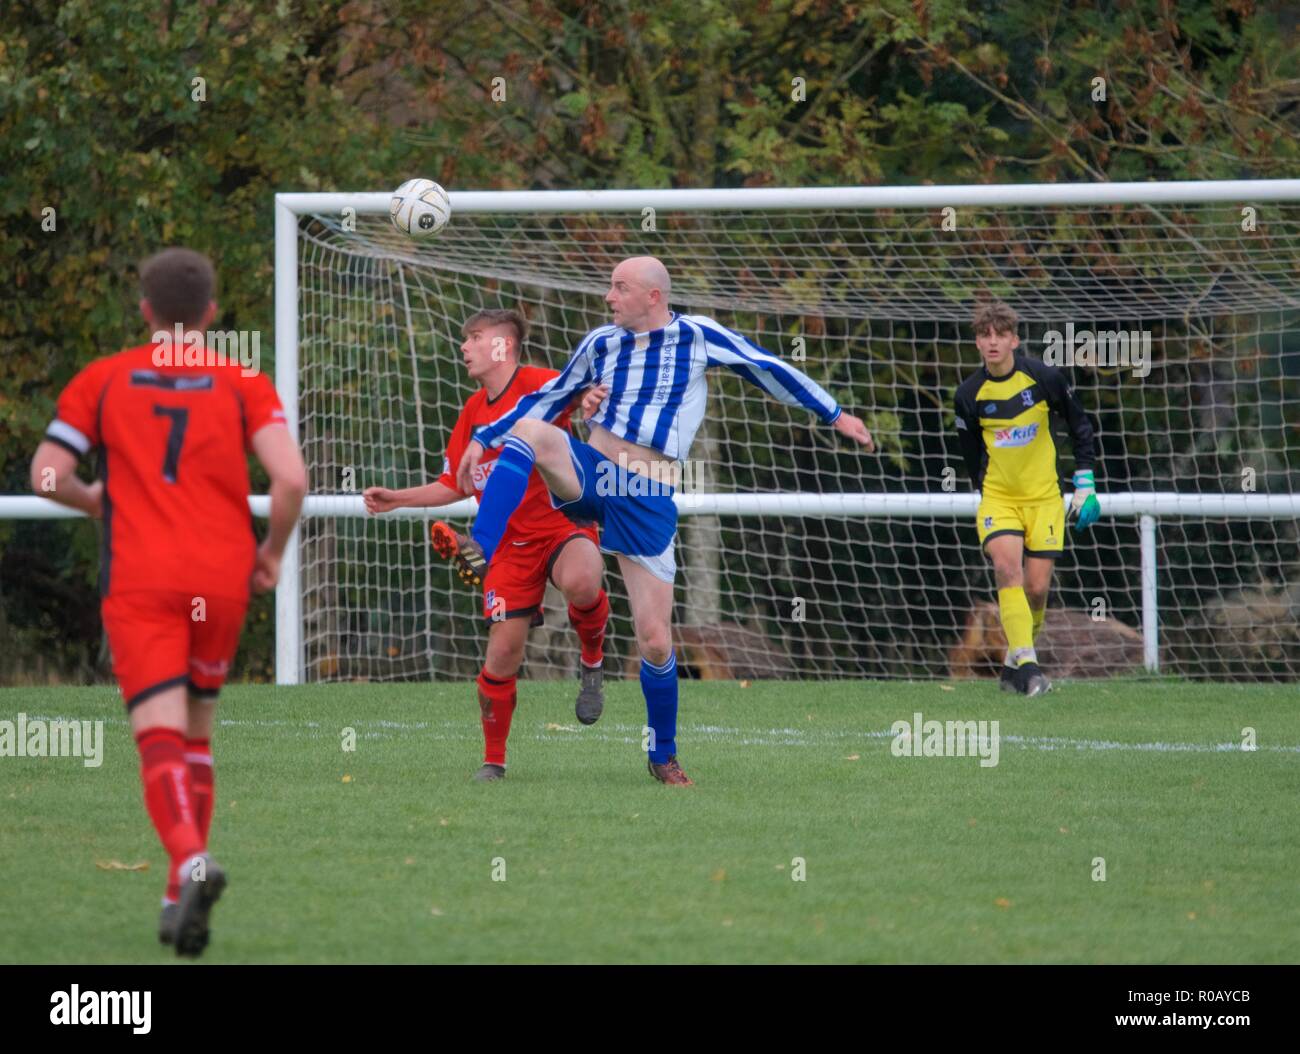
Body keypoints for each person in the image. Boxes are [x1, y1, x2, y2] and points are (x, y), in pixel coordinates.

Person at [452, 257, 875, 785]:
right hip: (594, 472)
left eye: (619, 288)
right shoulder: (601, 343)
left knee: (654, 640)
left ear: (653, 296)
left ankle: (662, 756)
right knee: (532, 436)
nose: (608, 297)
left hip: (646, 492)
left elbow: (769, 368)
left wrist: (836, 414)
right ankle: (482, 544)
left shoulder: (698, 336)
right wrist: (481, 438)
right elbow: (547, 397)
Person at [30, 247, 307, 955]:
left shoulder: (104, 379)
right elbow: (292, 482)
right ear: (212, 314)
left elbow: (48, 476)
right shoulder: (242, 381)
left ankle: (190, 862)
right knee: (197, 737)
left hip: (143, 578)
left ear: (146, 311)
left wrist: (99, 502)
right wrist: (271, 552)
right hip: (220, 578)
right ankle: (172, 893)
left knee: (157, 736)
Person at [363, 309, 609, 780]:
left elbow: (590, 392)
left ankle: (592, 662)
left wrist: (592, 398)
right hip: (508, 548)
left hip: (561, 526)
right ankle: (493, 762)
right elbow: (453, 484)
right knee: (501, 655)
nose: (464, 347)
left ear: (504, 345)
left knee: (582, 579)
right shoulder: (473, 412)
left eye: (473, 337)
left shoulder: (544, 383)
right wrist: (397, 499)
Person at [953, 300, 1099, 696]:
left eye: (1001, 335)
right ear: (978, 344)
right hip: (999, 499)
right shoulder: (968, 395)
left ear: (1014, 340)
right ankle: (1030, 667)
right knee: (1007, 570)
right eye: (985, 336)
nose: (993, 342)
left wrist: (1084, 485)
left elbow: (1079, 424)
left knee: (1036, 589)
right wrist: (986, 490)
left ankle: (1011, 663)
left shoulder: (1044, 378)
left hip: (1044, 498)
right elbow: (970, 454)